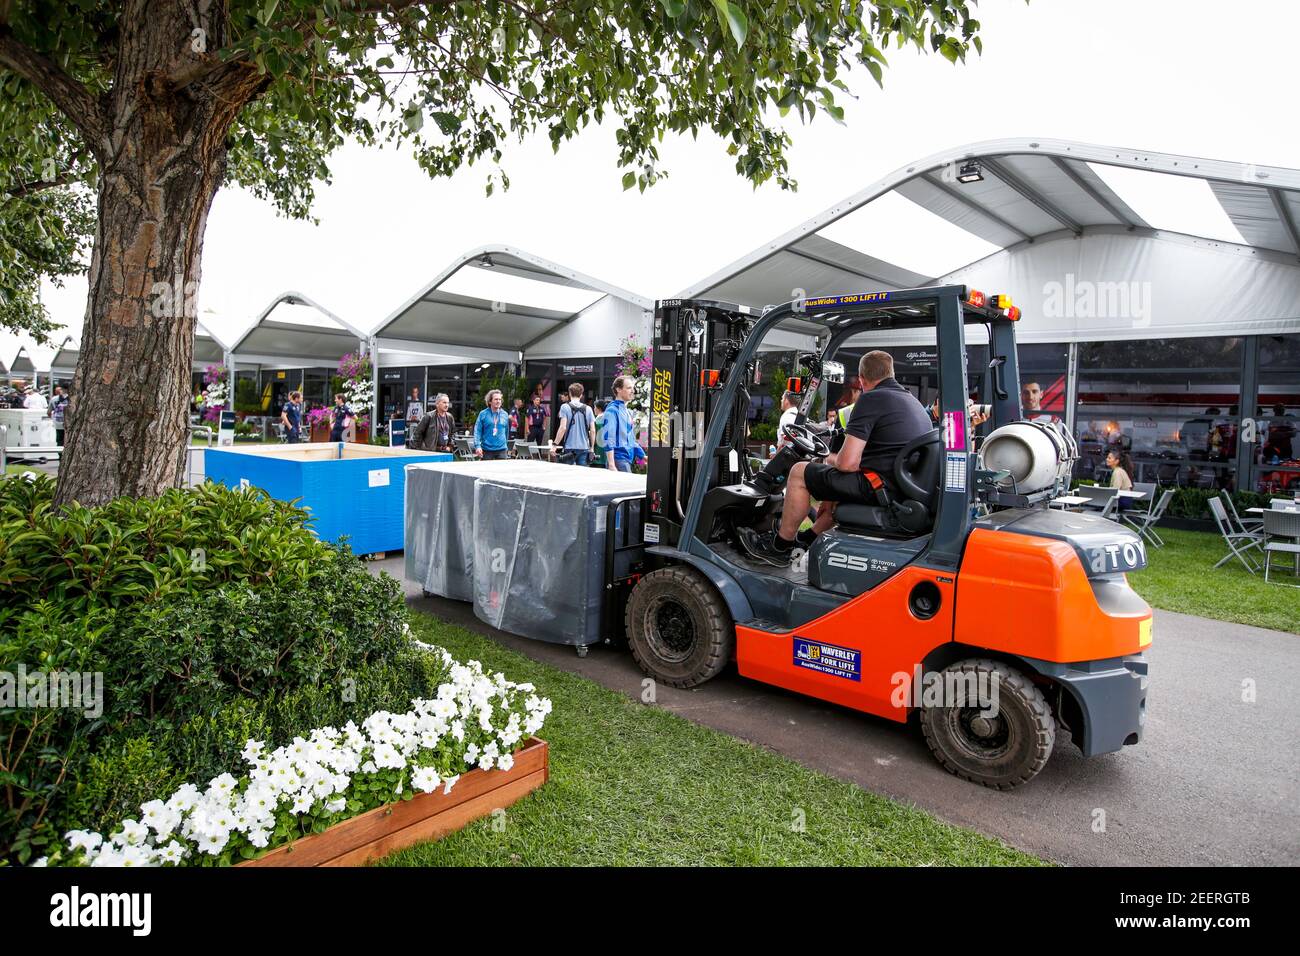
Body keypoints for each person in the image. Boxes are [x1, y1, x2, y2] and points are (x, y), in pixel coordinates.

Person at [738, 351, 932, 567]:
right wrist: (828, 496)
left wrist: (824, 457)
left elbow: (847, 463)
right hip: (896, 488)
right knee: (830, 496)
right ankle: (805, 540)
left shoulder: (871, 398)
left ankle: (780, 548)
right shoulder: (912, 402)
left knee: (799, 472)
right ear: (891, 373)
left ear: (861, 380)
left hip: (878, 487)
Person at [601, 376, 648, 472]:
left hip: (625, 460)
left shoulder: (626, 410)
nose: (632, 391)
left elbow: (630, 439)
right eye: (629, 388)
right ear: (618, 389)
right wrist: (611, 464)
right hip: (619, 461)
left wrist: (642, 456)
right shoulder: (612, 410)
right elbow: (608, 437)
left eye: (633, 388)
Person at [553, 382, 594, 466]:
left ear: (569, 393)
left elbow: (563, 428)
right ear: (581, 395)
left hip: (569, 447)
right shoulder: (588, 409)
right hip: (584, 447)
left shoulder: (565, 407)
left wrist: (555, 445)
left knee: (568, 475)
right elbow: (592, 430)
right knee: (582, 475)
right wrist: (592, 448)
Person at [473, 389, 511, 460]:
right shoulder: (483, 414)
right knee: (486, 471)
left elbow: (506, 432)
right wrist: (477, 446)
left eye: (500, 399)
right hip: (487, 450)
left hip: (502, 450)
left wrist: (505, 444)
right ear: (490, 401)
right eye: (496, 399)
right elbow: (477, 431)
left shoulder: (505, 414)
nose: (498, 401)